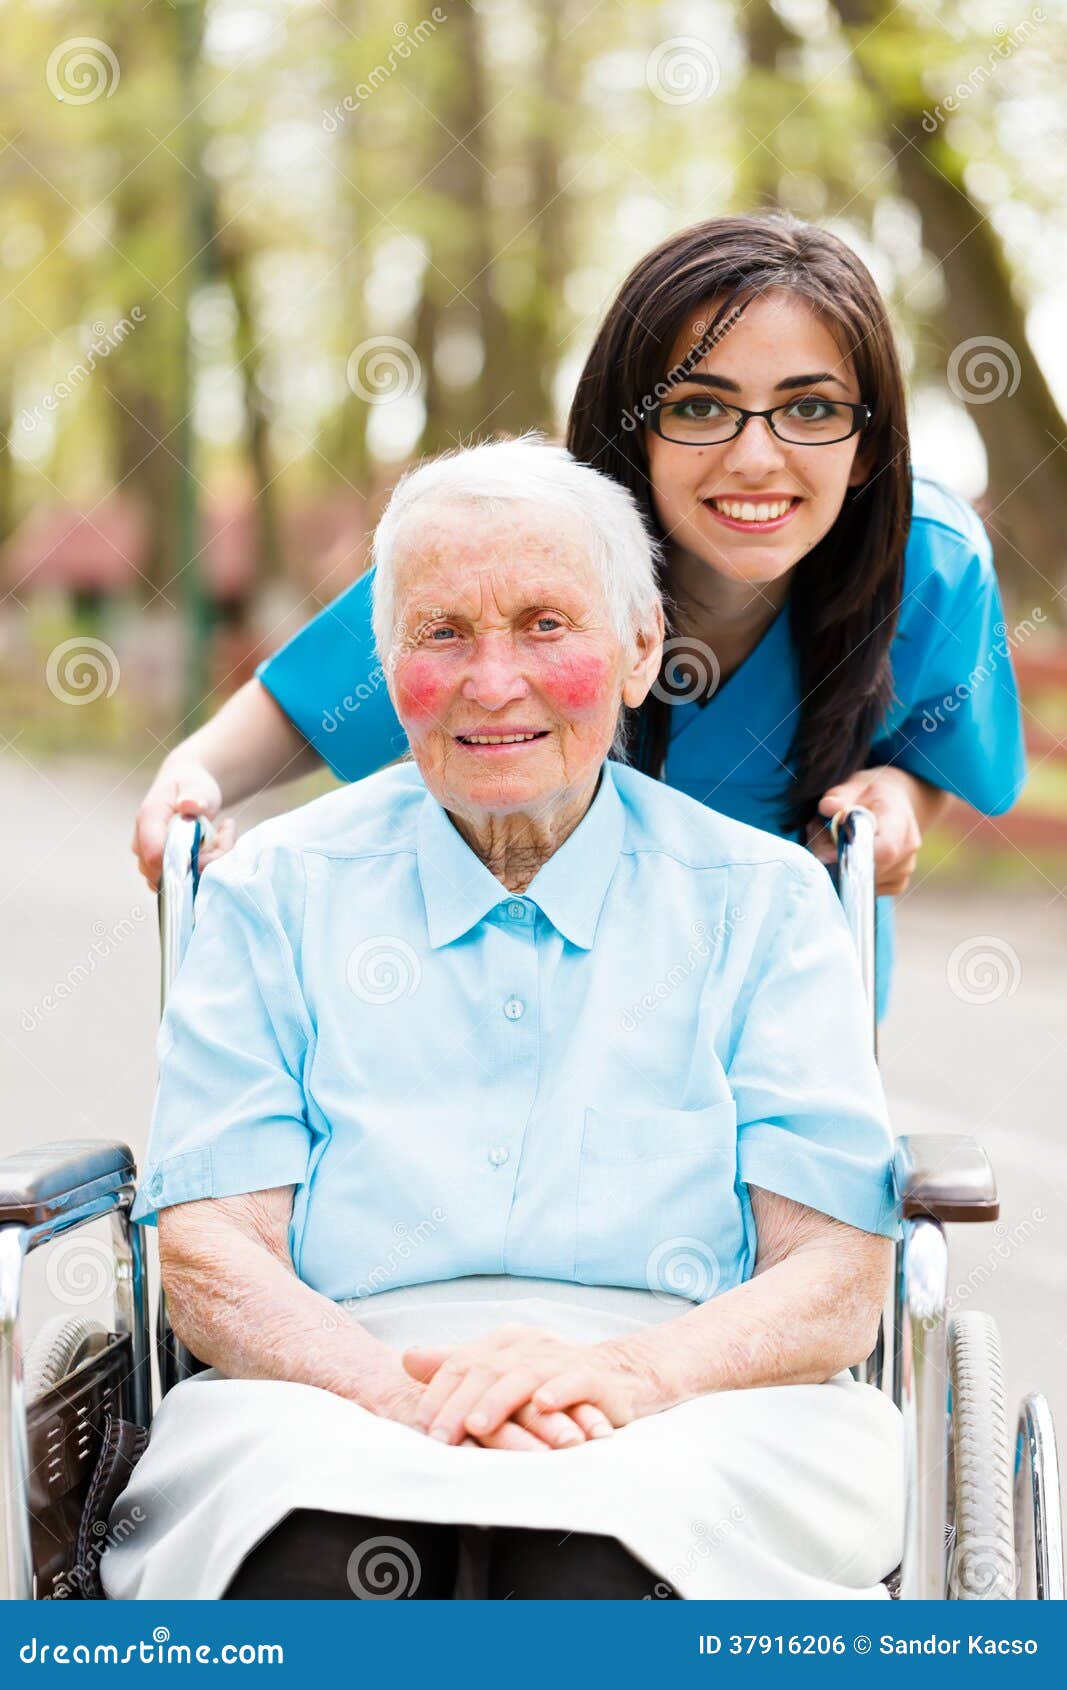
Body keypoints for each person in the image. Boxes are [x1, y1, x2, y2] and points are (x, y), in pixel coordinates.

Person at [101, 439, 904, 1602]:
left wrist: (626, 1375)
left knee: (594, 1565)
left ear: (638, 653)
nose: (491, 681)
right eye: (441, 634)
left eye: (543, 624)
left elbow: (832, 1272)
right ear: (386, 665)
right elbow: (212, 1252)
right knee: (321, 1554)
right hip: (329, 1380)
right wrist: (400, 1394)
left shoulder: (762, 901)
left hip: (689, 1390)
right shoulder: (275, 891)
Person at [131, 214, 1028, 1023]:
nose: (757, 457)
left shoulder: (930, 563)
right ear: (634, 425)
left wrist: (896, 803)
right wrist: (189, 784)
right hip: (542, 999)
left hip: (778, 1009)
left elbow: (929, 756)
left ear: (868, 441)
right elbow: (322, 696)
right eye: (701, 406)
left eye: (809, 408)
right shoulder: (537, 542)